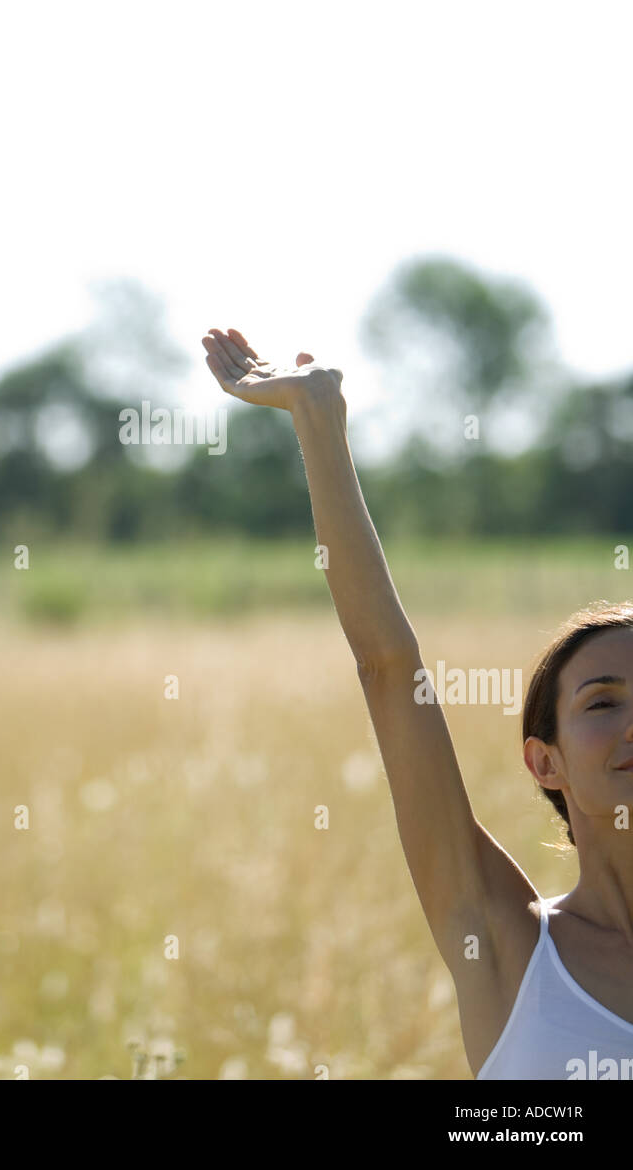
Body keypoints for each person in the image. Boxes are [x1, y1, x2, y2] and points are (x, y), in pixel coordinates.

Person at [202, 326, 633, 1080]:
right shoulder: (505, 945)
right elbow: (387, 667)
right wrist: (319, 422)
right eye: (602, 702)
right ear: (545, 761)